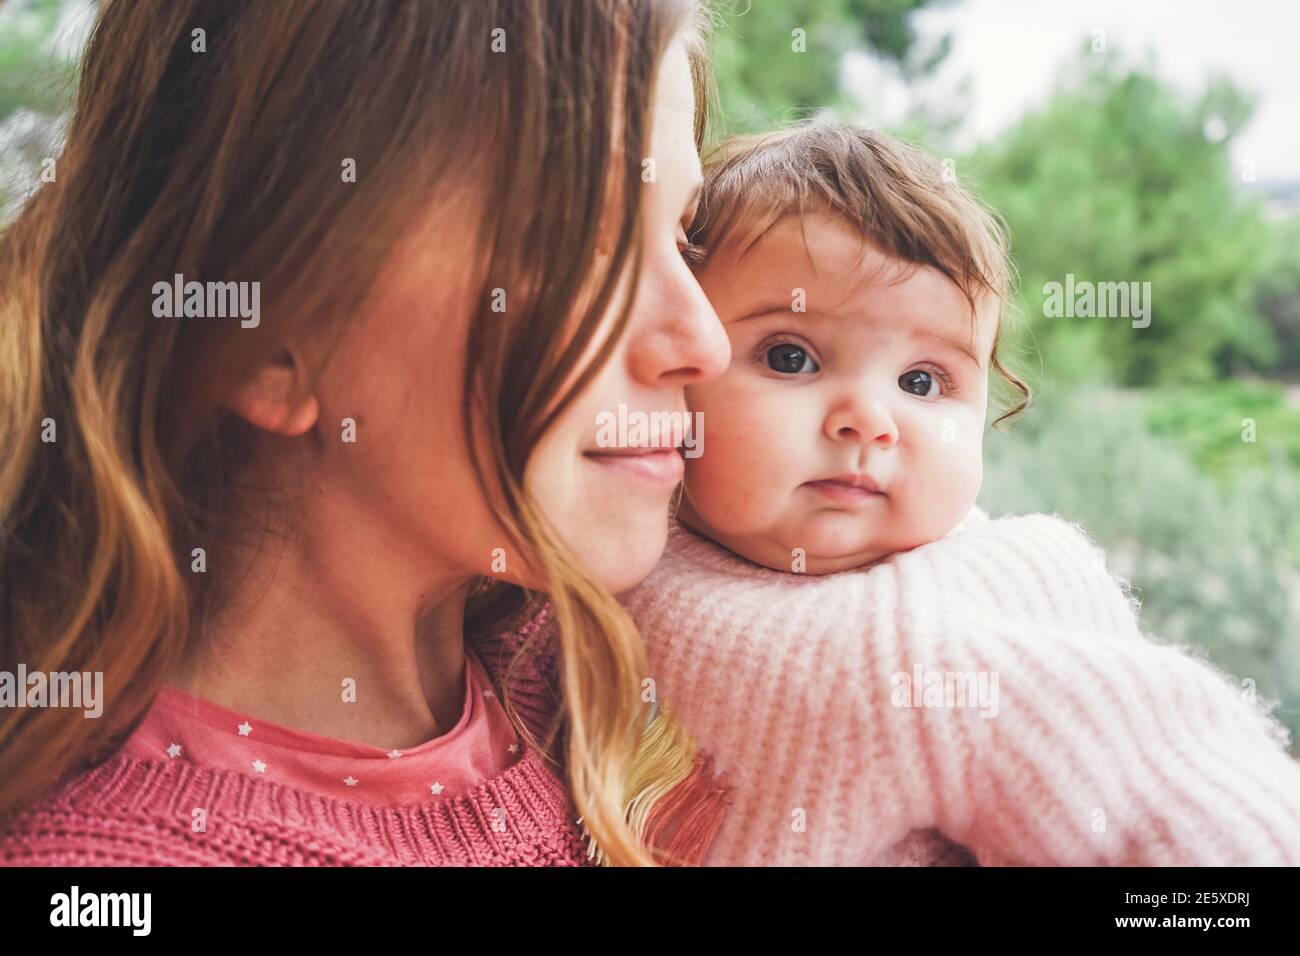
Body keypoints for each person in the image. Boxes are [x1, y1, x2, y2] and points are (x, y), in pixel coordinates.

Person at [0, 0, 732, 867]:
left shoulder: (574, 669)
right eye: (577, 244)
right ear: (270, 345)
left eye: (684, 240)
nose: (705, 344)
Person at [618, 122, 1300, 865]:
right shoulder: (619, 543)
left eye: (922, 381)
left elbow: (1172, 792)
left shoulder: (951, 620)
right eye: (791, 356)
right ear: (681, 359)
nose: (869, 421)